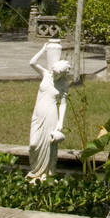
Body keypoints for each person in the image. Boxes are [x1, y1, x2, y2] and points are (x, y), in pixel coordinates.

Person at [27, 41, 72, 181]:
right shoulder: (46, 74)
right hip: (38, 114)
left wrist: (60, 122)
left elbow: (63, 104)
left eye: (58, 74)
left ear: (63, 74)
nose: (55, 76)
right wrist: (43, 49)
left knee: (49, 145)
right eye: (55, 73)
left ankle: (46, 172)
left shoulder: (63, 83)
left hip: (51, 115)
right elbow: (32, 63)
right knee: (33, 144)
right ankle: (35, 171)